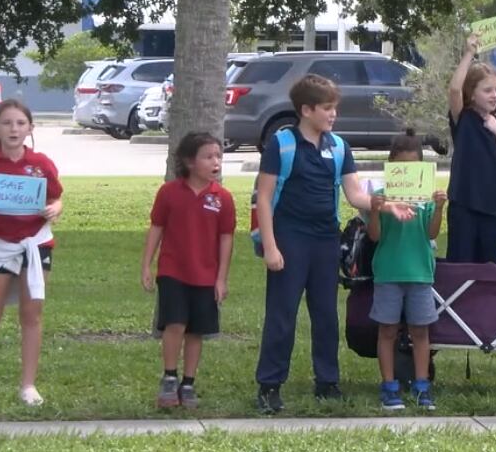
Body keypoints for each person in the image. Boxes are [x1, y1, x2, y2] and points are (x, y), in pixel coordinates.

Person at [254, 75, 414, 414]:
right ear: (306, 109)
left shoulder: (338, 146)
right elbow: (264, 199)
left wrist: (385, 204)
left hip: (326, 238)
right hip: (289, 238)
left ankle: (327, 382)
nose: (333, 115)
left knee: (326, 314)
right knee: (282, 314)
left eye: (334, 108)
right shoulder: (282, 144)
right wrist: (270, 246)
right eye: (327, 109)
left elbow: (355, 194)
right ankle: (269, 385)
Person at [0, 99, 64, 408]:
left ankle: (28, 386)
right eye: (6, 123)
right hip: (0, 248)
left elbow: (57, 198)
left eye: (20, 123)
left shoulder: (41, 164)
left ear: (30, 128)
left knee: (31, 317)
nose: (13, 128)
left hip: (37, 244)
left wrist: (54, 209)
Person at [141, 132, 236, 409]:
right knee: (175, 324)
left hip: (206, 275)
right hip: (173, 271)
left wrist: (221, 278)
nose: (215, 162)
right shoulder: (169, 192)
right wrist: (147, 264)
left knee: (196, 330)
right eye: (208, 157)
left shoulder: (223, 198)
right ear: (189, 161)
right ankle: (169, 377)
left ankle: (188, 381)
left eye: (218, 156)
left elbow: (226, 238)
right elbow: (157, 227)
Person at [368, 129, 447, 410]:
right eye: (402, 167)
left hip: (420, 273)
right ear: (392, 167)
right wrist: (376, 210)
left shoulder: (425, 198)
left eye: (414, 168)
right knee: (387, 330)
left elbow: (431, 233)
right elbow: (375, 236)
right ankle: (389, 386)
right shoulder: (380, 196)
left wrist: (439, 208)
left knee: (421, 332)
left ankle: (422, 384)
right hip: (389, 272)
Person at [447, 34, 496, 263]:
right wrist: (469, 53)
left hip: (492, 206)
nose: (495, 95)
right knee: (462, 265)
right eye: (487, 90)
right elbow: (454, 91)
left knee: (489, 267)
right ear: (472, 93)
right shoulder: (464, 118)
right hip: (464, 204)